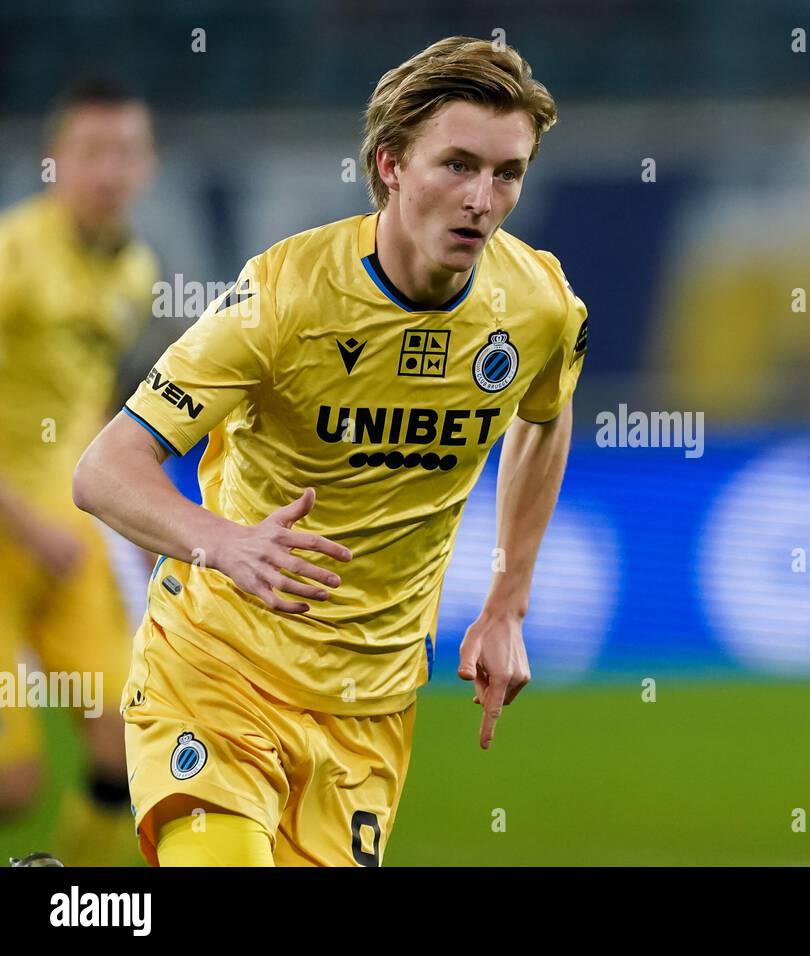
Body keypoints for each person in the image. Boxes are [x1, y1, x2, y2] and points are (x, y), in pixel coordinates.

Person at [72, 36, 588, 866]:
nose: (482, 200)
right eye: (456, 165)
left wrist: (507, 604)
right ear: (389, 165)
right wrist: (226, 542)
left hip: (369, 707)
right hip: (218, 671)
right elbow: (102, 470)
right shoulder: (281, 299)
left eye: (507, 173)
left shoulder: (538, 307)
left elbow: (543, 413)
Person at [0, 77, 158, 866]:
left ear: (148, 165)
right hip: (6, 539)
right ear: (56, 161)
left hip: (70, 548)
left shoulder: (135, 271)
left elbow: (95, 411)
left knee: (129, 746)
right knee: (11, 788)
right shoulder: (12, 254)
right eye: (92, 151)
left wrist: (131, 528)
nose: (110, 170)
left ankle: (65, 901)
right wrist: (24, 521)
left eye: (126, 151)